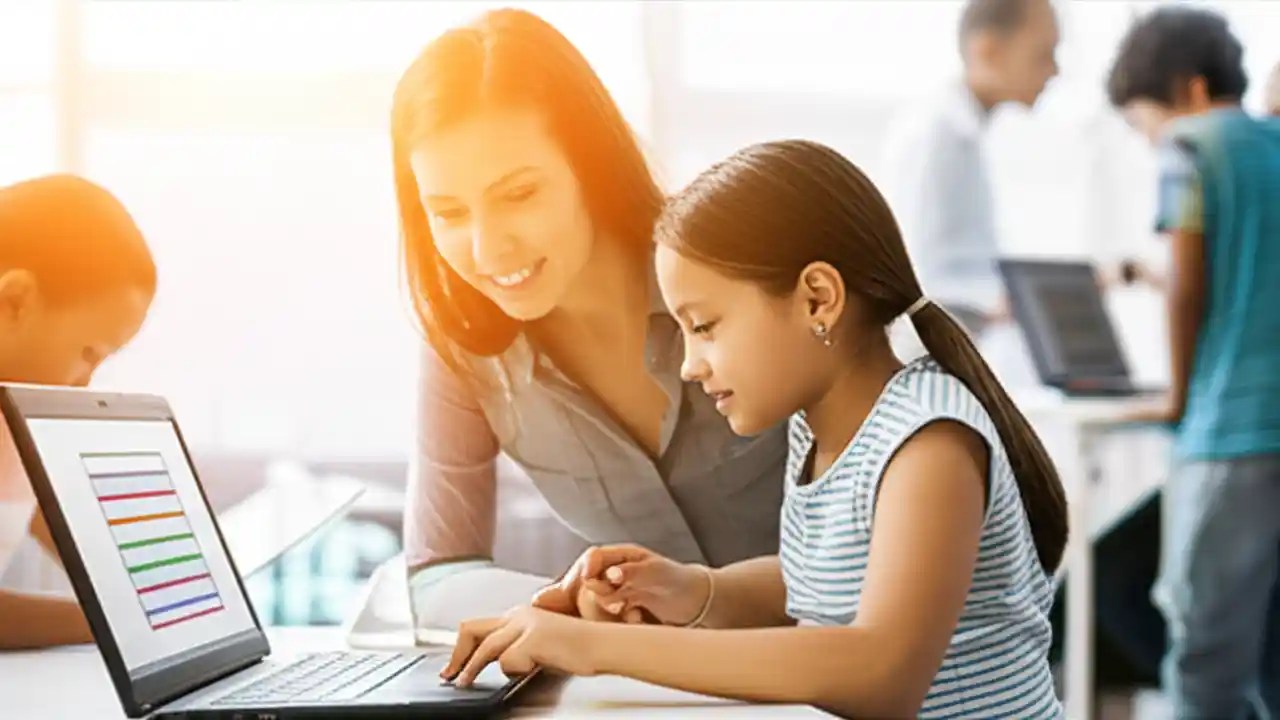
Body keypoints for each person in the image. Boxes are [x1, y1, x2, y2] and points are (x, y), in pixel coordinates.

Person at [441, 139, 1069, 719]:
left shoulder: (927, 444)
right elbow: (823, 578)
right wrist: (692, 589)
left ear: (818, 299)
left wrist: (594, 646)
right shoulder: (819, 430)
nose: (689, 364)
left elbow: (883, 672)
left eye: (706, 326)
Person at [391, 8, 789, 632]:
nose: (489, 251)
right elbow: (438, 575)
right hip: (677, 694)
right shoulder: (462, 343)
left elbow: (898, 536)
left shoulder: (742, 264)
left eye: (518, 194)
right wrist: (576, 606)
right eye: (448, 212)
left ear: (588, 165)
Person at [1107, 8, 1280, 718]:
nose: (1151, 140)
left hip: (1229, 431)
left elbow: (1188, 282)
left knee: (1203, 649)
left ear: (1186, 88)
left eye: (1142, 121)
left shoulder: (1189, 147)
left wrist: (1175, 397)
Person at [0, 174, 156, 649]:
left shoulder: (13, 422)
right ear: (15, 301)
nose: (87, 381)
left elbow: (91, 560)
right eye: (89, 351)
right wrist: (106, 623)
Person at [880, 0, 1059, 336]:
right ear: (988, 51)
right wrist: (1006, 299)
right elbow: (918, 267)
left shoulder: (966, 132)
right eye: (1043, 55)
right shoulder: (934, 133)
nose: (1054, 72)